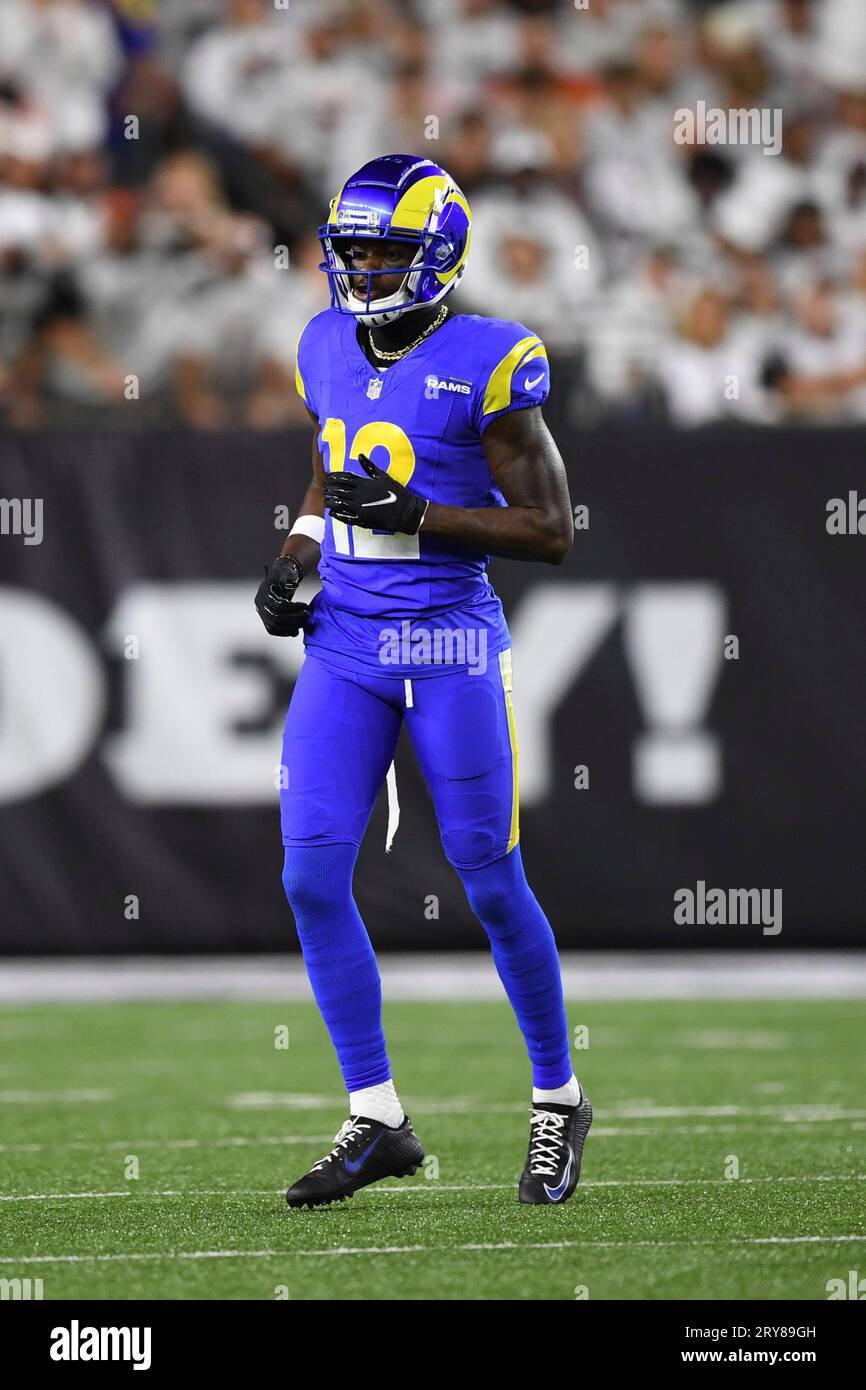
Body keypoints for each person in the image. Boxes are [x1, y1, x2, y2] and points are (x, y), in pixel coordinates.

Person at [254, 154, 591, 1209]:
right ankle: (377, 1116)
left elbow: (549, 531)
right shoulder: (320, 341)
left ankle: (556, 1096)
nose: (359, 269)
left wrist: (420, 517)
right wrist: (298, 555)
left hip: (446, 641)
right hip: (346, 643)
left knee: (488, 879)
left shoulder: (491, 358)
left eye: (382, 252)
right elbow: (327, 468)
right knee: (310, 878)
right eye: (349, 249)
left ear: (435, 258)